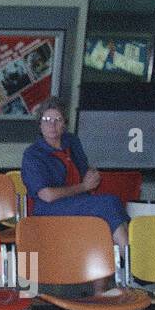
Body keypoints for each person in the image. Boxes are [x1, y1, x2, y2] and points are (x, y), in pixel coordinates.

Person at [21, 97, 129, 248]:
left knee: (113, 203)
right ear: (40, 125)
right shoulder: (33, 154)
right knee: (108, 204)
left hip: (78, 202)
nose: (52, 124)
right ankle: (129, 263)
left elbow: (84, 170)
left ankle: (124, 260)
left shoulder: (71, 142)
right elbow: (47, 195)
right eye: (46, 119)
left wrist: (92, 175)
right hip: (49, 209)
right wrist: (84, 187)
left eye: (57, 119)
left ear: (64, 124)